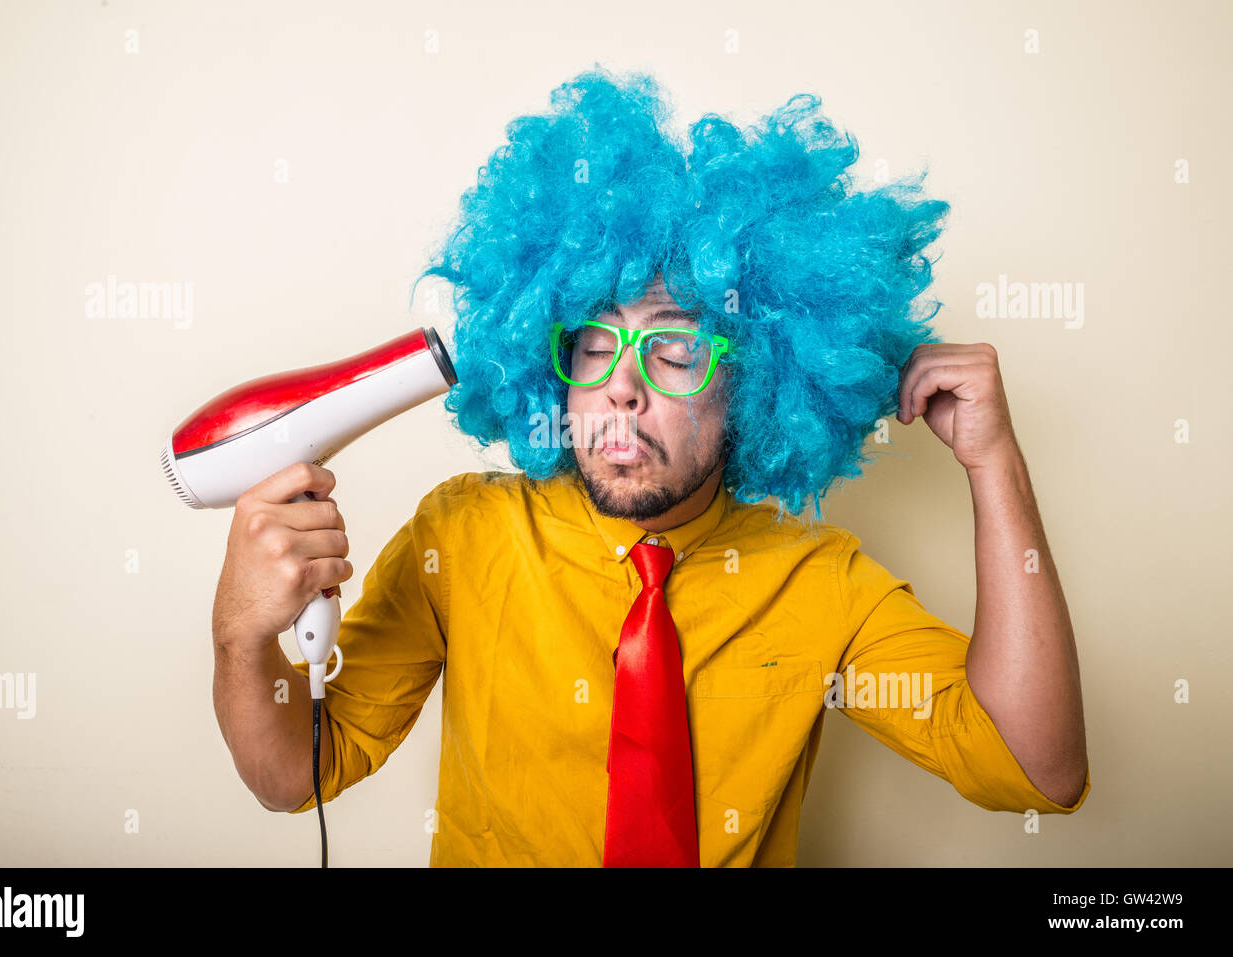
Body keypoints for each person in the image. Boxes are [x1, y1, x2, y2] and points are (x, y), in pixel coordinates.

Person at [210, 69, 1089, 867]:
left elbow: (1035, 767)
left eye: (673, 348)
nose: (621, 387)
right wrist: (242, 638)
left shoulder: (822, 583)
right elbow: (296, 773)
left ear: (756, 378)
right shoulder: (463, 538)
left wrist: (993, 464)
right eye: (595, 341)